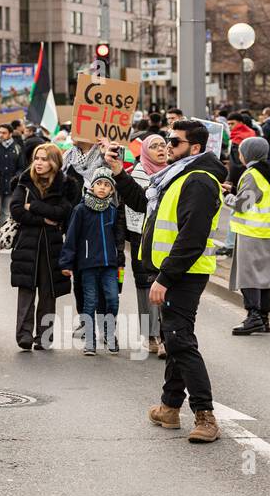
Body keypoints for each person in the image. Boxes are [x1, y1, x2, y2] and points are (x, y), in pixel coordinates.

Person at [106, 119, 224, 444]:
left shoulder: (198, 180)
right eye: (167, 140)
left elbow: (192, 237)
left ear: (195, 148)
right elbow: (146, 206)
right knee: (174, 339)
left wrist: (166, 277)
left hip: (184, 272)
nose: (168, 146)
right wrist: (118, 172)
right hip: (172, 270)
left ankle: (205, 415)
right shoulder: (176, 176)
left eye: (175, 141)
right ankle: (169, 407)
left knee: (180, 340)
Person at [10, 143, 75, 351]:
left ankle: (44, 337)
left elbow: (63, 212)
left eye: (45, 159)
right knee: (26, 292)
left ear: (54, 162)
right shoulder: (24, 182)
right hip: (27, 244)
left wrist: (35, 207)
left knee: (48, 295)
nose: (39, 163)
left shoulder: (66, 185)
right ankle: (24, 335)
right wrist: (43, 219)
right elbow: (17, 211)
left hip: (52, 247)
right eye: (37, 158)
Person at [60, 167, 126, 355]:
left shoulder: (113, 211)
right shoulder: (80, 209)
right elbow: (72, 237)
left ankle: (109, 333)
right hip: (87, 265)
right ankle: (90, 341)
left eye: (107, 185)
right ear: (92, 186)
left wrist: (119, 260)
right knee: (90, 301)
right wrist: (66, 263)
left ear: (112, 190)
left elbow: (118, 238)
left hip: (109, 265)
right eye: (99, 183)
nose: (102, 188)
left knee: (112, 300)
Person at [225, 136, 270, 336]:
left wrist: (227, 196)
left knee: (248, 275)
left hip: (252, 231)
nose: (239, 155)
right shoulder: (269, 171)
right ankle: (264, 318)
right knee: (264, 276)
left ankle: (253, 317)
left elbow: (243, 204)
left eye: (241, 151)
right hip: (269, 230)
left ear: (248, 154)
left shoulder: (252, 174)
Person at [128, 135, 167, 356]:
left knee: (164, 287)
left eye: (163, 145)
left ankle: (164, 336)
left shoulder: (174, 170)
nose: (160, 149)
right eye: (154, 146)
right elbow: (139, 204)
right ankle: (150, 335)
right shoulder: (138, 173)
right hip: (142, 238)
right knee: (145, 288)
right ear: (144, 151)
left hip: (166, 238)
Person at [0, 123, 19, 225]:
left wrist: (15, 178)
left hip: (10, 185)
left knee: (6, 212)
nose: (1, 135)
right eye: (0, 132)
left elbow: (21, 166)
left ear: (10, 134)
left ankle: (1, 236)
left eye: (4, 133)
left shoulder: (17, 148)